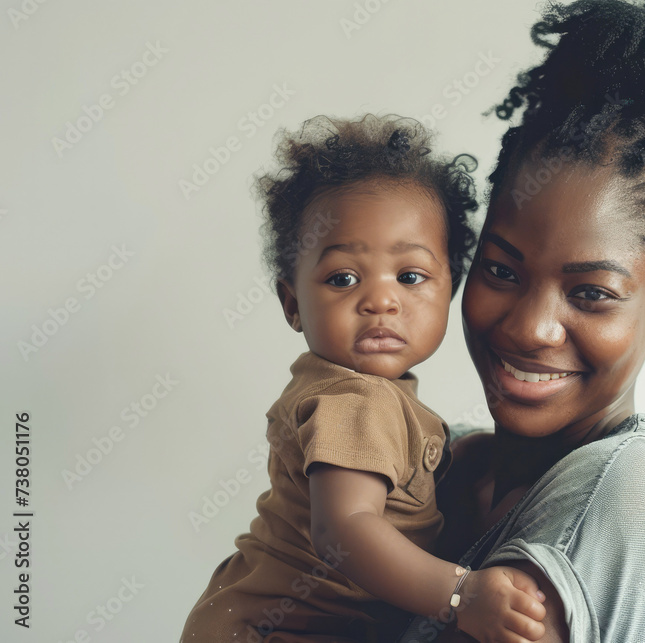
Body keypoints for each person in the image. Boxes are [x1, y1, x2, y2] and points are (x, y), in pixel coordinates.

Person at [395, 0, 645, 642]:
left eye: (591, 293)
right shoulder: (446, 464)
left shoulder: (629, 495)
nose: (529, 326)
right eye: (502, 269)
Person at [180, 114, 547, 643]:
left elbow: (395, 488)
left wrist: (462, 458)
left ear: (449, 289)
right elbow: (346, 528)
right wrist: (461, 594)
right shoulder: (356, 400)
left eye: (410, 276)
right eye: (343, 278)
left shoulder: (370, 394)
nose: (380, 300)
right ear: (293, 304)